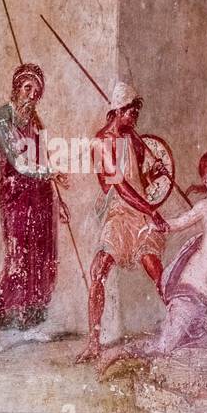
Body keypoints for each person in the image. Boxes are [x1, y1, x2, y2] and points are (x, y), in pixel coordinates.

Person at [97, 150, 207, 378]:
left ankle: (183, 352)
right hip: (192, 289)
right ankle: (117, 354)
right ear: (205, 179)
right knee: (163, 346)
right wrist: (155, 225)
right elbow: (178, 223)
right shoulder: (203, 207)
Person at [76, 82, 169, 363]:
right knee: (99, 269)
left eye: (136, 113)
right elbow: (119, 187)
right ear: (119, 110)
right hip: (118, 212)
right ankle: (94, 343)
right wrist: (151, 210)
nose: (135, 119)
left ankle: (180, 324)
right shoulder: (102, 141)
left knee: (155, 268)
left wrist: (156, 174)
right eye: (132, 112)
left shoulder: (135, 141)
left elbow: (140, 181)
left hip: (138, 213)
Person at [0, 64, 69, 352]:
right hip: (15, 192)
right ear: (16, 88)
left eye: (36, 91)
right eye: (27, 89)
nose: (31, 96)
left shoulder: (37, 121)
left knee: (41, 258)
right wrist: (50, 173)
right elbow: (19, 162)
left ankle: (30, 324)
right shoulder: (3, 116)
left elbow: (43, 156)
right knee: (19, 256)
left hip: (41, 194)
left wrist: (61, 201)